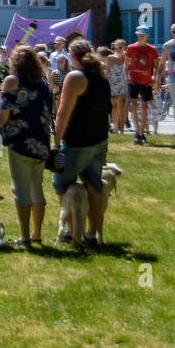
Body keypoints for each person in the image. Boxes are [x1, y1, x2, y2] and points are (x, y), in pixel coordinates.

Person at [53, 40, 112, 247]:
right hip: (99, 138)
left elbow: (62, 112)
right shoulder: (101, 77)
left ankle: (70, 231)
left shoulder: (75, 76)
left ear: (73, 56)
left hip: (78, 141)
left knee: (61, 183)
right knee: (94, 185)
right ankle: (91, 234)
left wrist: (56, 140)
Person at [0, 46, 54, 247]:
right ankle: (37, 234)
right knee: (37, 189)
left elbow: (3, 116)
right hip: (42, 142)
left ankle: (25, 237)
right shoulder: (43, 84)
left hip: (19, 142)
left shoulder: (12, 82)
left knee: (21, 190)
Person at [124, 25, 162, 144]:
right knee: (134, 106)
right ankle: (137, 132)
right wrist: (126, 77)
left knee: (145, 107)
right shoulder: (131, 48)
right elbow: (126, 66)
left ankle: (142, 132)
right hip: (133, 80)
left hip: (146, 82)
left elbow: (156, 67)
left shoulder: (152, 49)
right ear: (136, 35)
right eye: (139, 34)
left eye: (143, 35)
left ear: (147, 35)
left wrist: (154, 79)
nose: (141, 36)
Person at [104, 40, 128, 133]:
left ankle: (122, 129)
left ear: (124, 47)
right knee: (114, 107)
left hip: (123, 84)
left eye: (120, 47)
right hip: (113, 84)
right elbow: (107, 72)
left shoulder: (127, 57)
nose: (118, 49)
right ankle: (116, 128)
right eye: (116, 47)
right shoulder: (110, 58)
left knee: (122, 106)